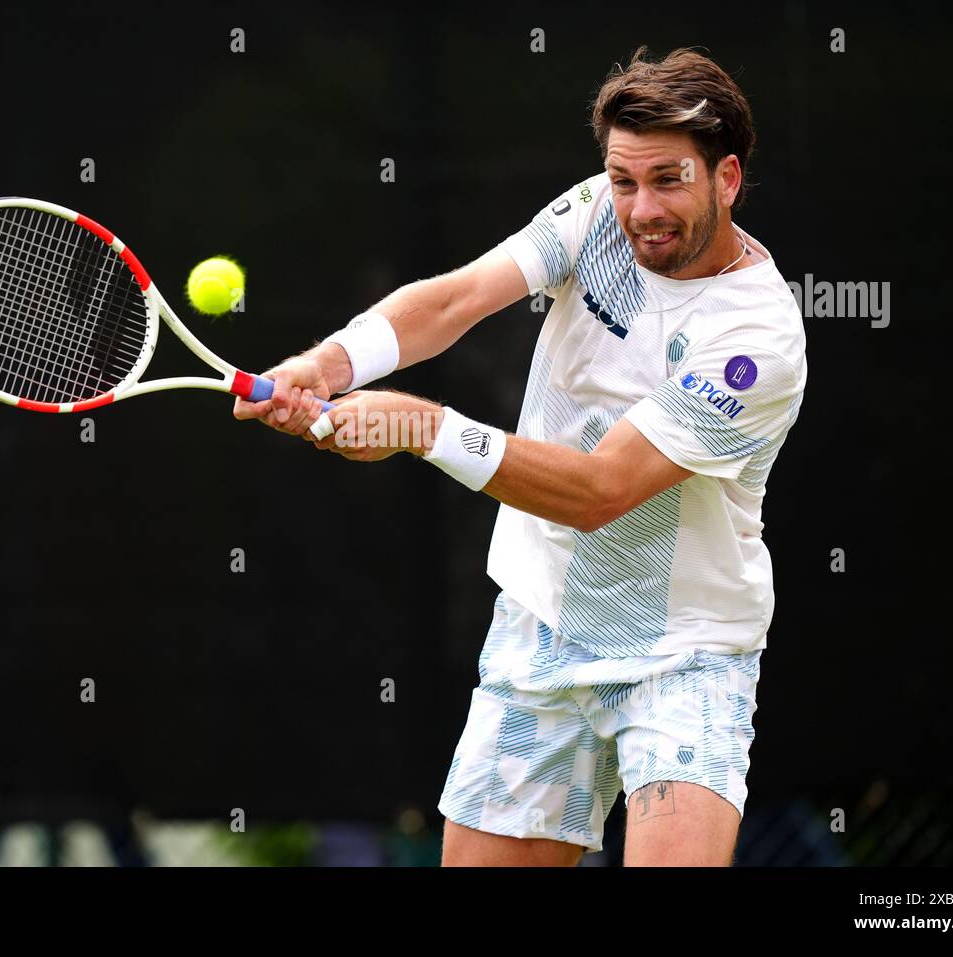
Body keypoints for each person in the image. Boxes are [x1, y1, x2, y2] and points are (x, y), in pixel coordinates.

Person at [234, 46, 806, 867]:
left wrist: (421, 428)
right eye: (624, 179)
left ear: (727, 179)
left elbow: (602, 491)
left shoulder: (755, 339)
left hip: (687, 653)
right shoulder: (593, 214)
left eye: (669, 180)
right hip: (543, 625)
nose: (641, 207)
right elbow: (456, 298)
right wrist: (326, 365)